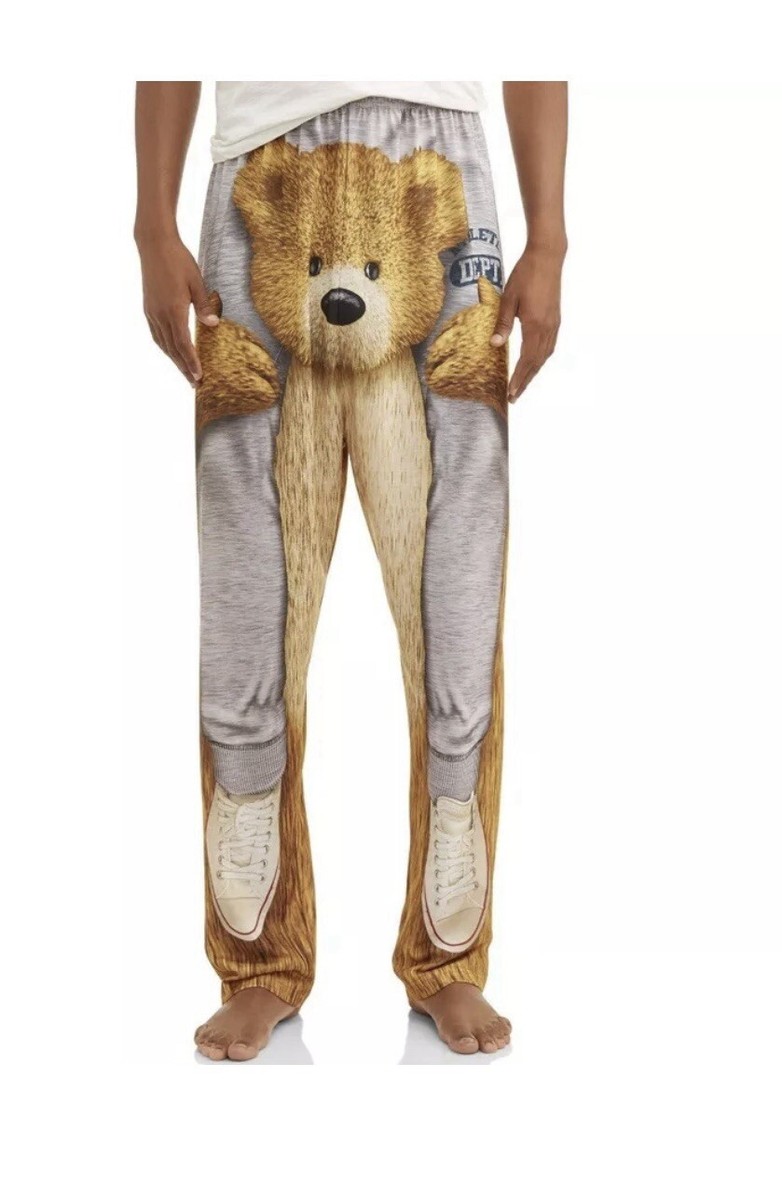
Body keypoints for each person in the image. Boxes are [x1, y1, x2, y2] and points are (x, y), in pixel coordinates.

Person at [135, 81, 567, 1060]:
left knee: (456, 583)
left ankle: (449, 955)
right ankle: (258, 960)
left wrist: (548, 235)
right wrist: (151, 222)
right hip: (260, 164)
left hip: (437, 160)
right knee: (247, 581)